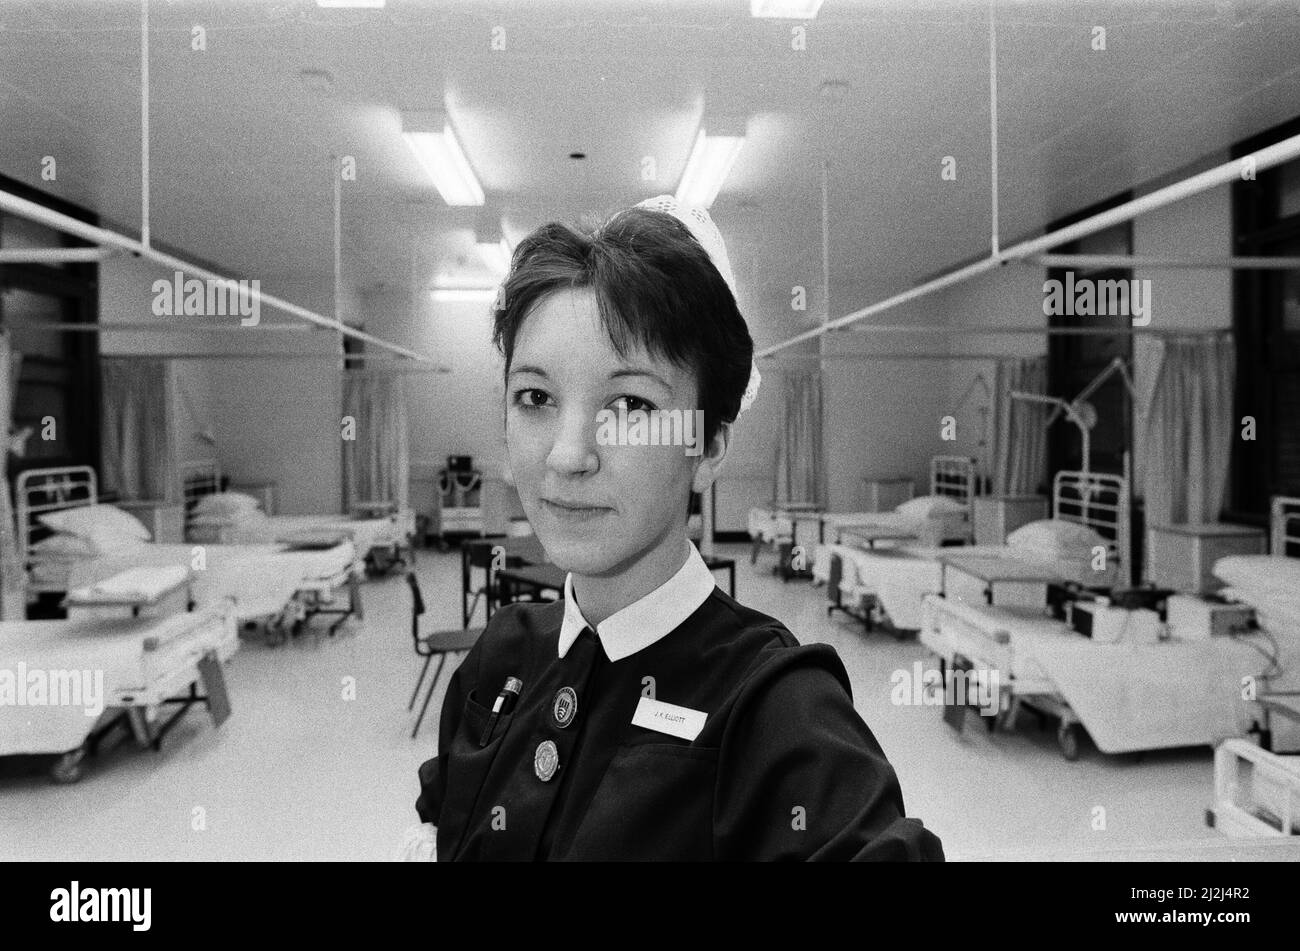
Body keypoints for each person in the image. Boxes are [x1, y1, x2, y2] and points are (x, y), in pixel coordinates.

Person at [410, 195, 943, 861]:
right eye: (537, 397)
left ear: (710, 444)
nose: (568, 455)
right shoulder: (501, 656)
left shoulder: (772, 709)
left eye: (630, 403)